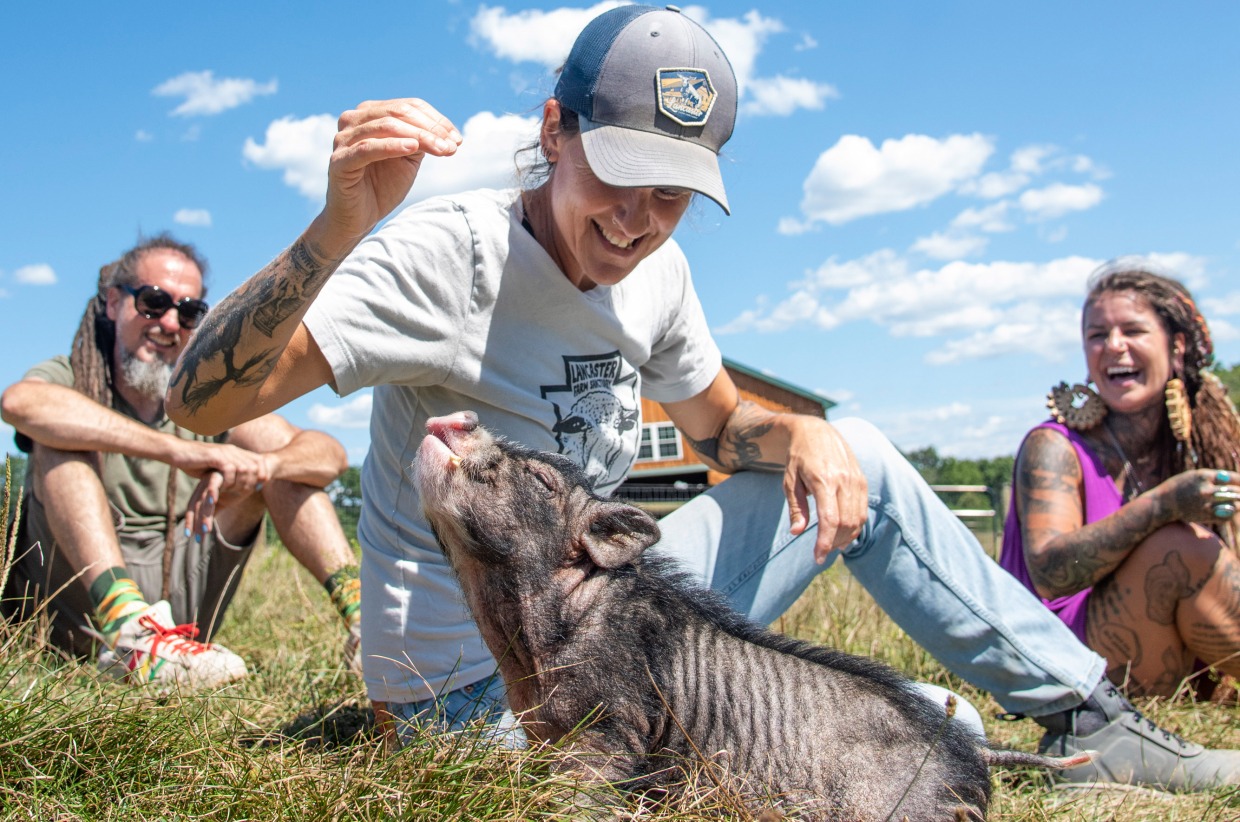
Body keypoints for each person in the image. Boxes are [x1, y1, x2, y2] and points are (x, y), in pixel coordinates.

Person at [164, 5, 1239, 789]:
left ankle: (1078, 718)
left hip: (623, 626)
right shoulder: (459, 255)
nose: (637, 219)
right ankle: (979, 727)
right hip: (476, 697)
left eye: (672, 192)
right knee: (911, 727)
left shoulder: (657, 274)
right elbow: (204, 407)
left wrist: (804, 431)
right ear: (554, 132)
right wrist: (340, 225)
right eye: (617, 174)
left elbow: (722, 425)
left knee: (851, 443)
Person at [0, 234, 363, 689]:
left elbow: (328, 454)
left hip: (178, 592)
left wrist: (265, 467)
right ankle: (130, 630)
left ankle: (367, 624)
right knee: (54, 442)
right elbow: (21, 403)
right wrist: (182, 450)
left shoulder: (200, 400)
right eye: (153, 302)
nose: (171, 322)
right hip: (77, 604)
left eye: (189, 312)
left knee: (286, 464)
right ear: (114, 303)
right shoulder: (72, 375)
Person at [1001, 259, 1240, 699]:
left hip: (1169, 652)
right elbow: (1051, 574)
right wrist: (1163, 505)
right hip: (1064, 659)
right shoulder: (1054, 447)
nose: (1113, 345)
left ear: (1177, 347)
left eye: (1132, 330)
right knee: (1178, 547)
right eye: (1097, 335)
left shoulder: (1191, 447)